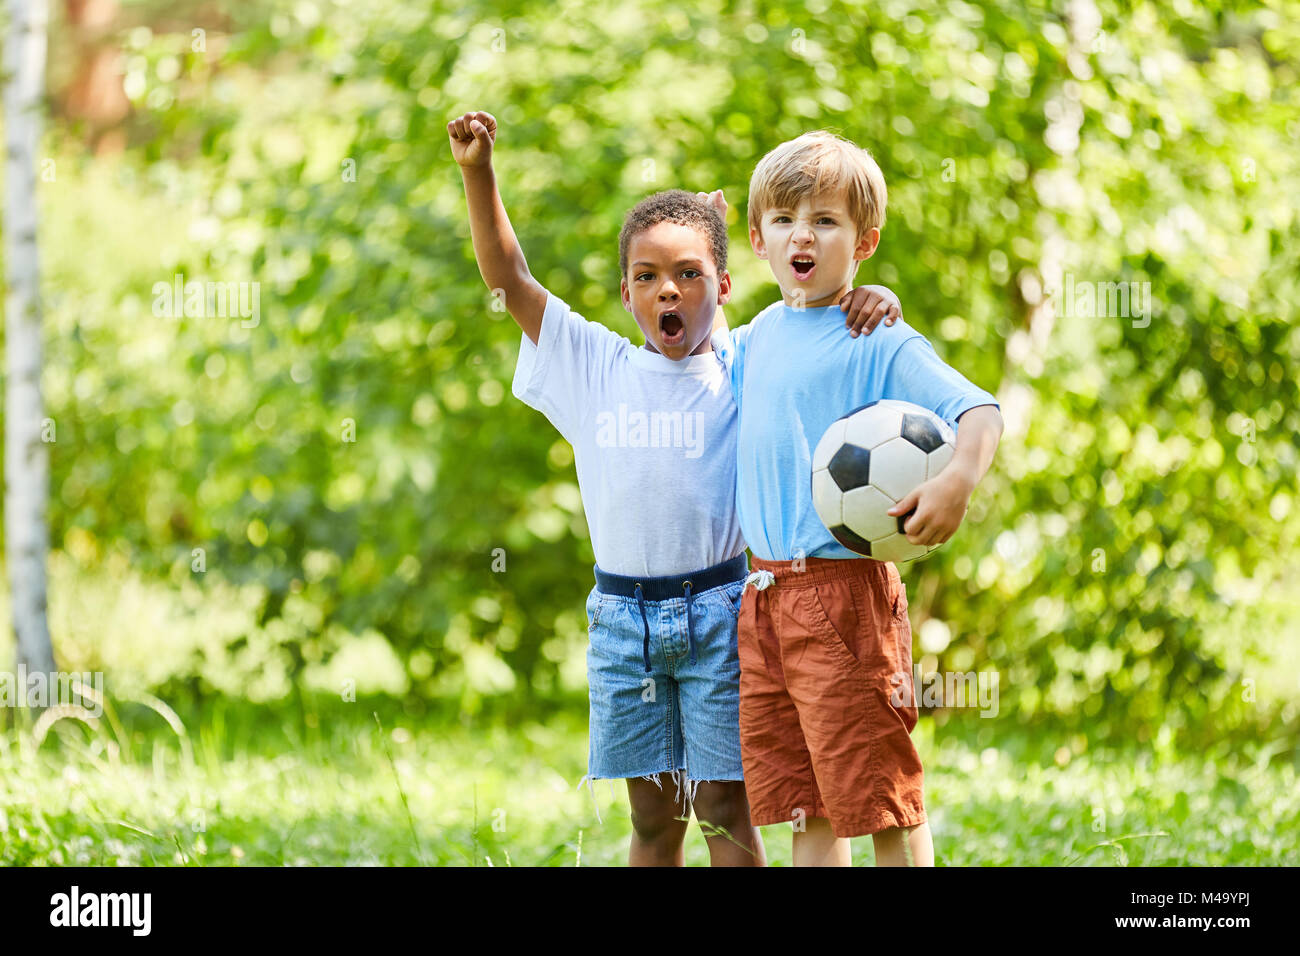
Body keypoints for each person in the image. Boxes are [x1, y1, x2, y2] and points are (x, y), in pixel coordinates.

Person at [448, 111, 901, 866]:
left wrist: (872, 295)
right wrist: (478, 171)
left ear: (723, 287)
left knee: (727, 809)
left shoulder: (746, 357)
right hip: (625, 626)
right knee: (656, 820)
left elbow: (817, 314)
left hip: (726, 615)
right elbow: (509, 278)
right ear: (626, 294)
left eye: (690, 274)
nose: (669, 291)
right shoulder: (595, 366)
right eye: (648, 276)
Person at [713, 130, 1005, 866]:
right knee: (810, 807)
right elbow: (705, 340)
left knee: (880, 798)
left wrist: (957, 481)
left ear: (864, 242)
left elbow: (980, 410)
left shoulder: (875, 335)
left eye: (825, 220)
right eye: (783, 220)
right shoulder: (755, 338)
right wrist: (704, 248)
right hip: (766, 597)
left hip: (844, 596)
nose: (801, 235)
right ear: (757, 239)